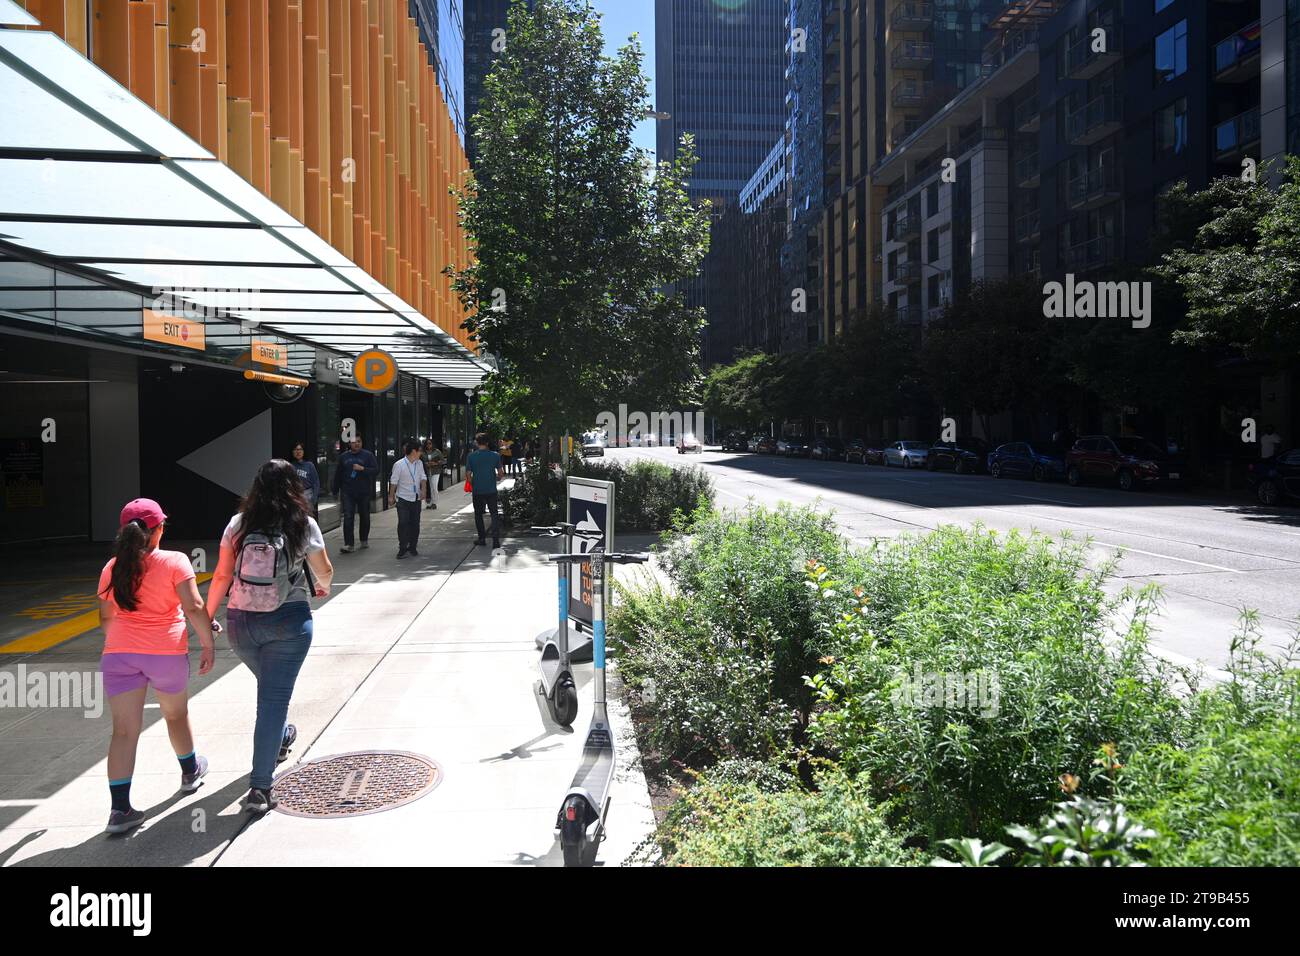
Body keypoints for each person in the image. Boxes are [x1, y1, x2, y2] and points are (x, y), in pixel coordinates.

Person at [206, 460, 334, 814]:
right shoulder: (303, 524)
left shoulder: (238, 523)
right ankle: (260, 788)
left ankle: (279, 737)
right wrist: (322, 587)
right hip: (288, 623)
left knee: (270, 694)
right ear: (295, 487)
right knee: (272, 702)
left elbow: (220, 575)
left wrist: (205, 617)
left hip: (241, 623)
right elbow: (323, 570)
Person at [96, 498, 215, 834]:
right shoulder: (174, 561)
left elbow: (106, 617)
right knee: (175, 715)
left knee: (123, 731)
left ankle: (120, 811)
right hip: (165, 652)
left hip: (119, 656)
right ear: (158, 529)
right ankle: (190, 772)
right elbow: (193, 606)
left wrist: (125, 640)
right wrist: (207, 642)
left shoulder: (111, 567)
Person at [331, 434, 378, 553]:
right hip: (348, 491)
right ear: (349, 444)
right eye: (353, 442)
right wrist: (335, 490)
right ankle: (349, 544)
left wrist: (363, 469)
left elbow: (375, 470)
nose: (356, 444)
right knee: (348, 516)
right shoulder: (344, 457)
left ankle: (363, 539)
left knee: (364, 516)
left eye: (359, 441)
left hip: (364, 491)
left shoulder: (368, 455)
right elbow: (338, 474)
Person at [389, 440, 428, 559]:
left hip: (415, 498)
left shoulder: (419, 463)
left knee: (415, 524)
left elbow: (423, 477)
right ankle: (402, 547)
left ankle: (413, 547)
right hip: (403, 499)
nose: (421, 453)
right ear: (413, 451)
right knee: (403, 523)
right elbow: (394, 481)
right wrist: (391, 496)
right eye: (419, 451)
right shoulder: (399, 464)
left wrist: (424, 490)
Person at [467, 432, 504, 549]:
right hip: (491, 489)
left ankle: (482, 538)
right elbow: (501, 474)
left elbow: (468, 475)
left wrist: (474, 483)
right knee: (494, 513)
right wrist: (495, 478)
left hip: (478, 490)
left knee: (478, 515)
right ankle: (496, 540)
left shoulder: (471, 456)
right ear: (487, 443)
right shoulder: (495, 455)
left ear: (477, 443)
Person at [291, 442, 320, 513]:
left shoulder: (309, 465)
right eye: (296, 449)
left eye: (300, 449)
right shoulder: (290, 466)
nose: (298, 452)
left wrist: (314, 498)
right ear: (293, 452)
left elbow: (316, 482)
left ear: (303, 452)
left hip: (308, 495)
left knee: (308, 520)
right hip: (295, 496)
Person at [423, 438, 444, 510]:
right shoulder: (423, 452)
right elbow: (420, 461)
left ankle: (434, 502)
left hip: (435, 471)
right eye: (427, 443)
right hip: (427, 472)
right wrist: (426, 464)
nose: (428, 445)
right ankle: (429, 503)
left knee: (434, 487)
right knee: (429, 488)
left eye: (430, 443)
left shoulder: (437, 451)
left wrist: (436, 463)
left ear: (432, 444)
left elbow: (443, 460)